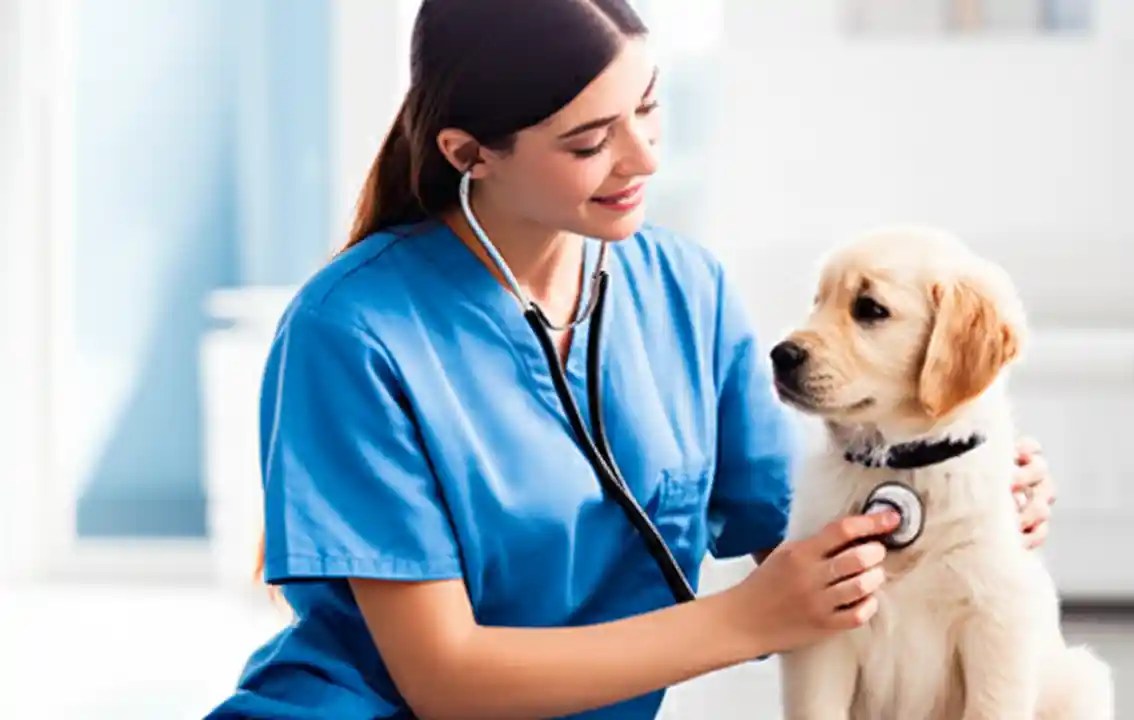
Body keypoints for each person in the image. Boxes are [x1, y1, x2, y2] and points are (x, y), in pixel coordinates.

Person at [206, 1, 1055, 718]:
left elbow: (804, 541)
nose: (644, 158)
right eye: (589, 142)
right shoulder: (351, 332)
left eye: (649, 107)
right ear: (470, 153)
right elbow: (443, 679)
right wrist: (744, 623)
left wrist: (957, 500)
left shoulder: (686, 290)